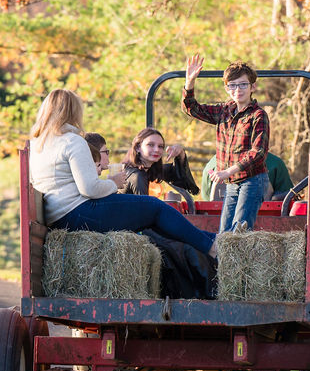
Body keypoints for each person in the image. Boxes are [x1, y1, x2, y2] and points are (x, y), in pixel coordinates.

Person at [28, 89, 217, 257]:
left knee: (151, 215)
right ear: (72, 112)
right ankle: (212, 246)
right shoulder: (72, 141)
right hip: (77, 212)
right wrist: (113, 183)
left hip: (58, 216)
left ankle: (213, 241)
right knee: (155, 206)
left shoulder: (38, 144)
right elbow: (89, 189)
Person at [182, 55, 270, 232]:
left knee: (239, 230)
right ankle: (222, 260)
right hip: (231, 183)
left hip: (252, 181)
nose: (238, 89)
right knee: (225, 233)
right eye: (233, 85)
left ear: (252, 87)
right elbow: (191, 108)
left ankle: (240, 258)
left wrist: (228, 171)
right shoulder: (224, 111)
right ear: (227, 88)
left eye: (243, 84)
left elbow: (258, 152)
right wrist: (190, 82)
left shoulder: (258, 115)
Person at [121, 127, 200, 199]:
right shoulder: (137, 175)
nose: (156, 150)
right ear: (138, 147)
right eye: (150, 145)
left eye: (160, 146)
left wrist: (181, 153)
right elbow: (144, 210)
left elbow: (178, 174)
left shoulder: (151, 169)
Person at [202, 152, 293, 201]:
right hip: (262, 226)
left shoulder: (212, 164)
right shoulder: (275, 163)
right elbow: (287, 198)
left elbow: (206, 199)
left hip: (219, 224)